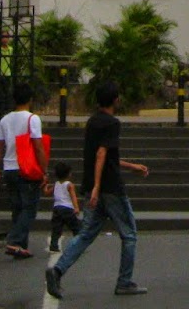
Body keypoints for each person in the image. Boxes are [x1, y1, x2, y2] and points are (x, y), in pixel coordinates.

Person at [46, 80, 151, 298]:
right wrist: (97, 187)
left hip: (95, 185)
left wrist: (131, 167)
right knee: (129, 234)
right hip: (110, 188)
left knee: (86, 234)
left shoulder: (92, 122)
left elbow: (106, 156)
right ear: (115, 100)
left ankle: (57, 271)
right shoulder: (112, 123)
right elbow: (102, 155)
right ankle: (124, 281)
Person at [0, 82, 44, 260]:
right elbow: (37, 146)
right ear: (30, 99)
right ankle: (14, 240)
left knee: (17, 208)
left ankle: (20, 247)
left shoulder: (5, 120)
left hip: (9, 167)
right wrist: (44, 170)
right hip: (26, 168)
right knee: (30, 208)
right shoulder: (32, 119)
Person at [45, 160, 82, 254]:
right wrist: (76, 208)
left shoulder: (56, 184)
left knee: (56, 228)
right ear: (69, 174)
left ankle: (53, 246)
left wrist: (45, 186)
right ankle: (79, 244)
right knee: (76, 227)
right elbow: (73, 197)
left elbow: (47, 193)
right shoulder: (69, 185)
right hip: (67, 208)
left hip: (57, 208)